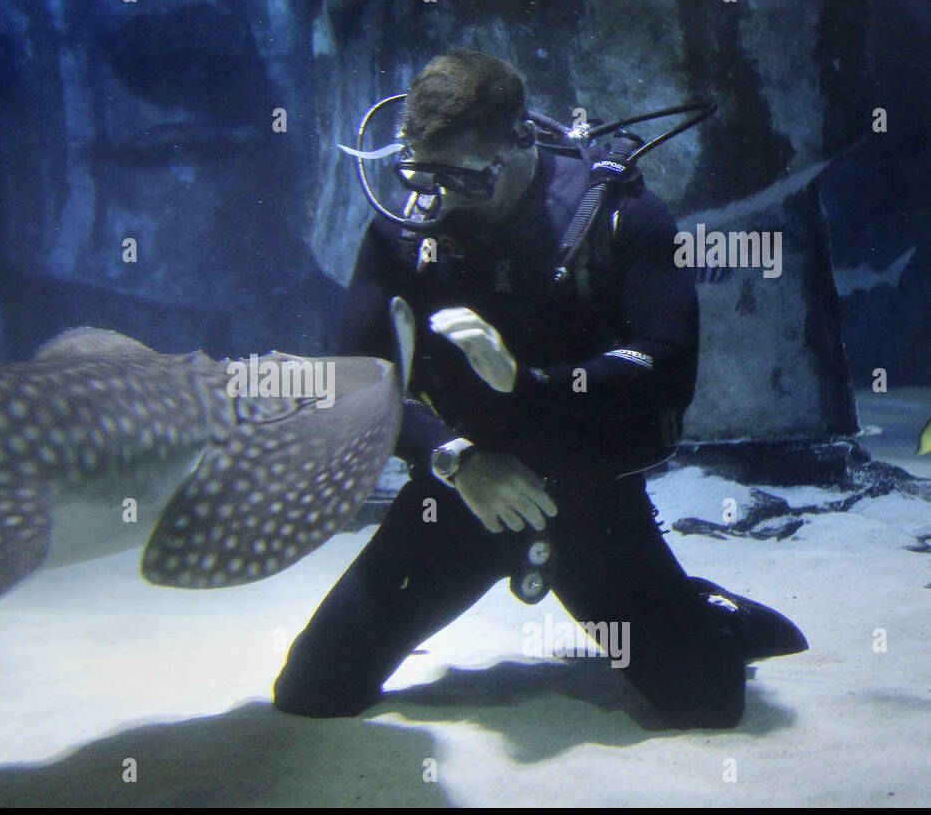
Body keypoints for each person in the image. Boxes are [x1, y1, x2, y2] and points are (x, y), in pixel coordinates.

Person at [274, 50, 806, 728]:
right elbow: (356, 383)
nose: (443, 197)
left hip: (587, 497)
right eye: (422, 173)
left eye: (466, 177)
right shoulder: (404, 229)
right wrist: (457, 461)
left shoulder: (623, 216)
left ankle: (708, 613)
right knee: (311, 690)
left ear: (520, 138)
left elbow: (668, 368)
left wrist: (527, 382)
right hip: (461, 496)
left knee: (707, 706)